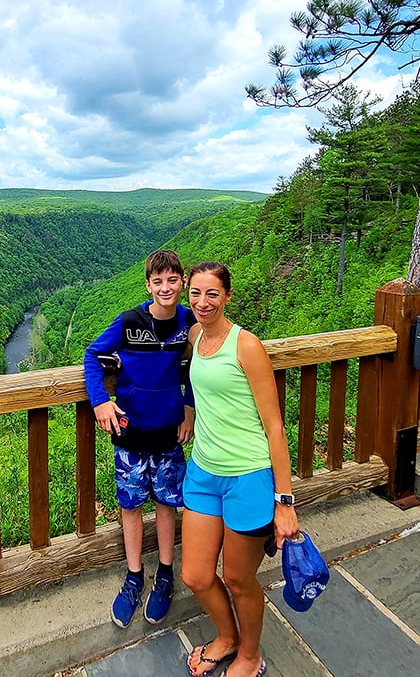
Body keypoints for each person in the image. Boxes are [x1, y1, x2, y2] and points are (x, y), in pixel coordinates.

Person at [183, 261, 300, 677]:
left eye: (212, 293)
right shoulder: (194, 336)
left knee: (238, 579)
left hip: (248, 475)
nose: (202, 302)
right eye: (195, 293)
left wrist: (284, 502)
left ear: (228, 296)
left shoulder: (246, 345)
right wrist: (187, 413)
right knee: (196, 575)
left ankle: (250, 655)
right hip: (202, 471)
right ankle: (227, 636)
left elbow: (274, 426)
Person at [83, 249, 195, 628]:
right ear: (148, 285)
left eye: (173, 280)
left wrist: (190, 409)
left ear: (182, 282)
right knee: (130, 507)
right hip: (129, 434)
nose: (166, 287)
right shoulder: (130, 322)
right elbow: (92, 354)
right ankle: (134, 576)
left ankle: (165, 574)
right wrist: (100, 401)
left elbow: (198, 365)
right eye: (158, 281)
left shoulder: (189, 322)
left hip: (168, 434)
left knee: (167, 504)